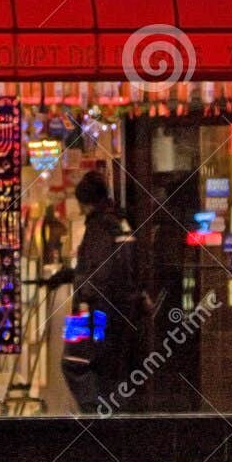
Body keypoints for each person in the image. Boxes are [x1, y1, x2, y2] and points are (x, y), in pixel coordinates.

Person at [49, 171, 142, 414]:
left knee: (73, 362)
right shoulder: (121, 222)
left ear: (86, 202)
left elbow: (97, 272)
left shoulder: (99, 226)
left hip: (94, 309)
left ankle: (94, 414)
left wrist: (83, 300)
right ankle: (109, 414)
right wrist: (69, 274)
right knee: (106, 366)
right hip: (120, 309)